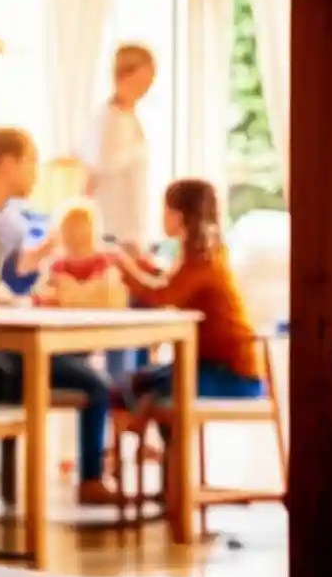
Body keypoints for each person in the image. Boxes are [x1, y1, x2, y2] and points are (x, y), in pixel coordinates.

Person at [0, 128, 121, 504]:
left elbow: (14, 282)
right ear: (8, 163)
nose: (37, 175)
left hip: (0, 348)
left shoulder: (15, 225)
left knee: (88, 379)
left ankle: (90, 479)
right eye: (32, 163)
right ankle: (89, 478)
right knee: (92, 383)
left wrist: (37, 268)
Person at [113, 179, 264, 426]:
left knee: (143, 386)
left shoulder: (203, 257)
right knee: (134, 384)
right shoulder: (202, 252)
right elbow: (170, 282)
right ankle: (162, 458)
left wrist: (125, 267)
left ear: (180, 214)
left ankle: (166, 458)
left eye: (166, 209)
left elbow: (165, 294)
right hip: (212, 366)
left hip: (231, 374)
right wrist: (140, 265)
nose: (162, 216)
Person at [80, 43, 157, 381]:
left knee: (138, 323)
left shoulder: (128, 118)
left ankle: (134, 399)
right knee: (122, 323)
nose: (148, 86)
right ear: (125, 75)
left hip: (133, 232)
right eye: (144, 78)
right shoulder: (110, 120)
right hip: (119, 234)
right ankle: (123, 398)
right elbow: (102, 169)